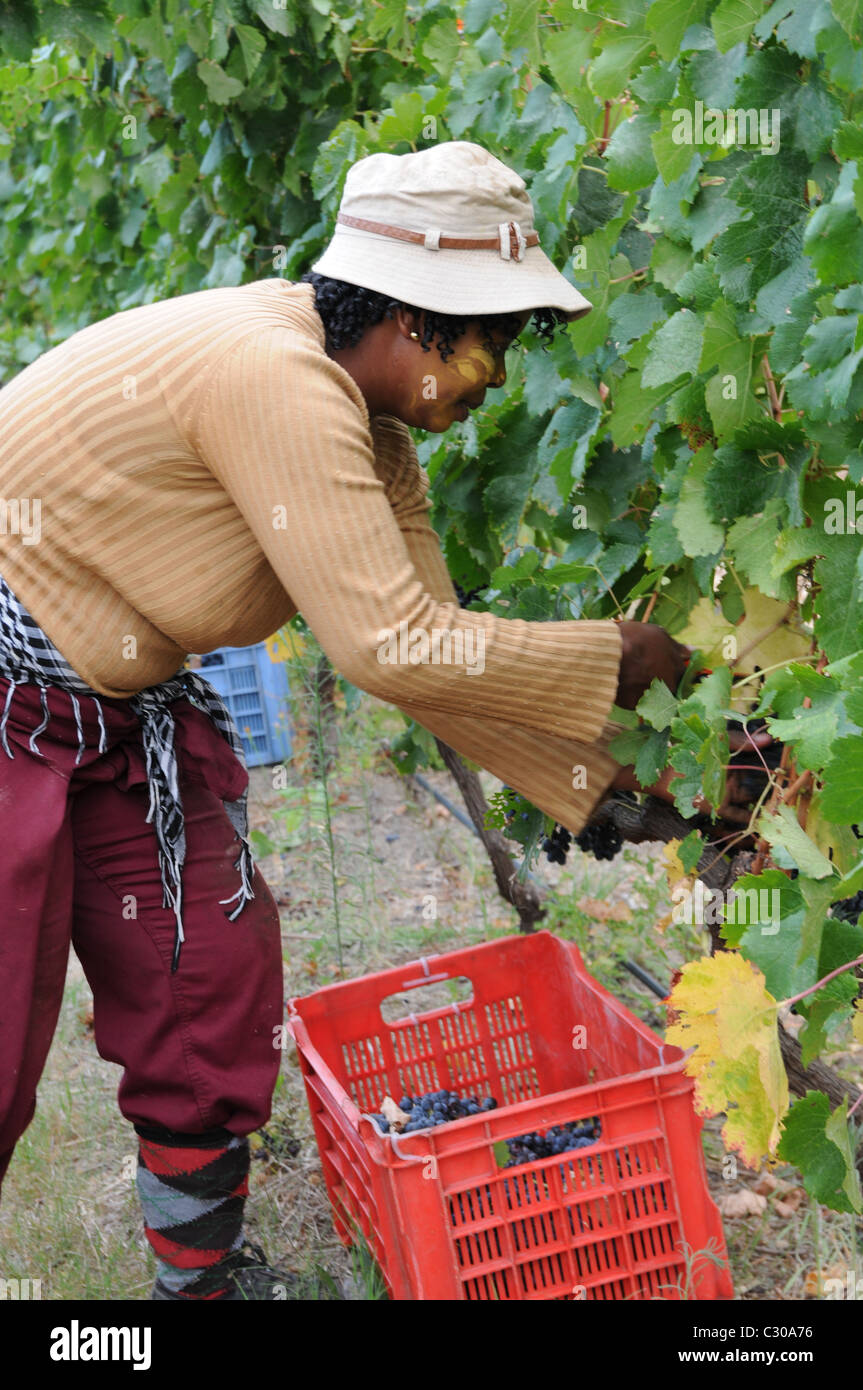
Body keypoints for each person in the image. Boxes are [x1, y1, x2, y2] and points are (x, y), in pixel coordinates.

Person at [0, 140, 693, 1301]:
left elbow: (425, 651)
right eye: (491, 340)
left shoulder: (371, 432)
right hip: (14, 696)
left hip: (122, 708)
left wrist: (630, 787)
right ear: (413, 316)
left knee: (203, 983)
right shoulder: (277, 376)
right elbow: (389, 647)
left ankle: (200, 1286)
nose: (497, 377)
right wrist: (619, 656)